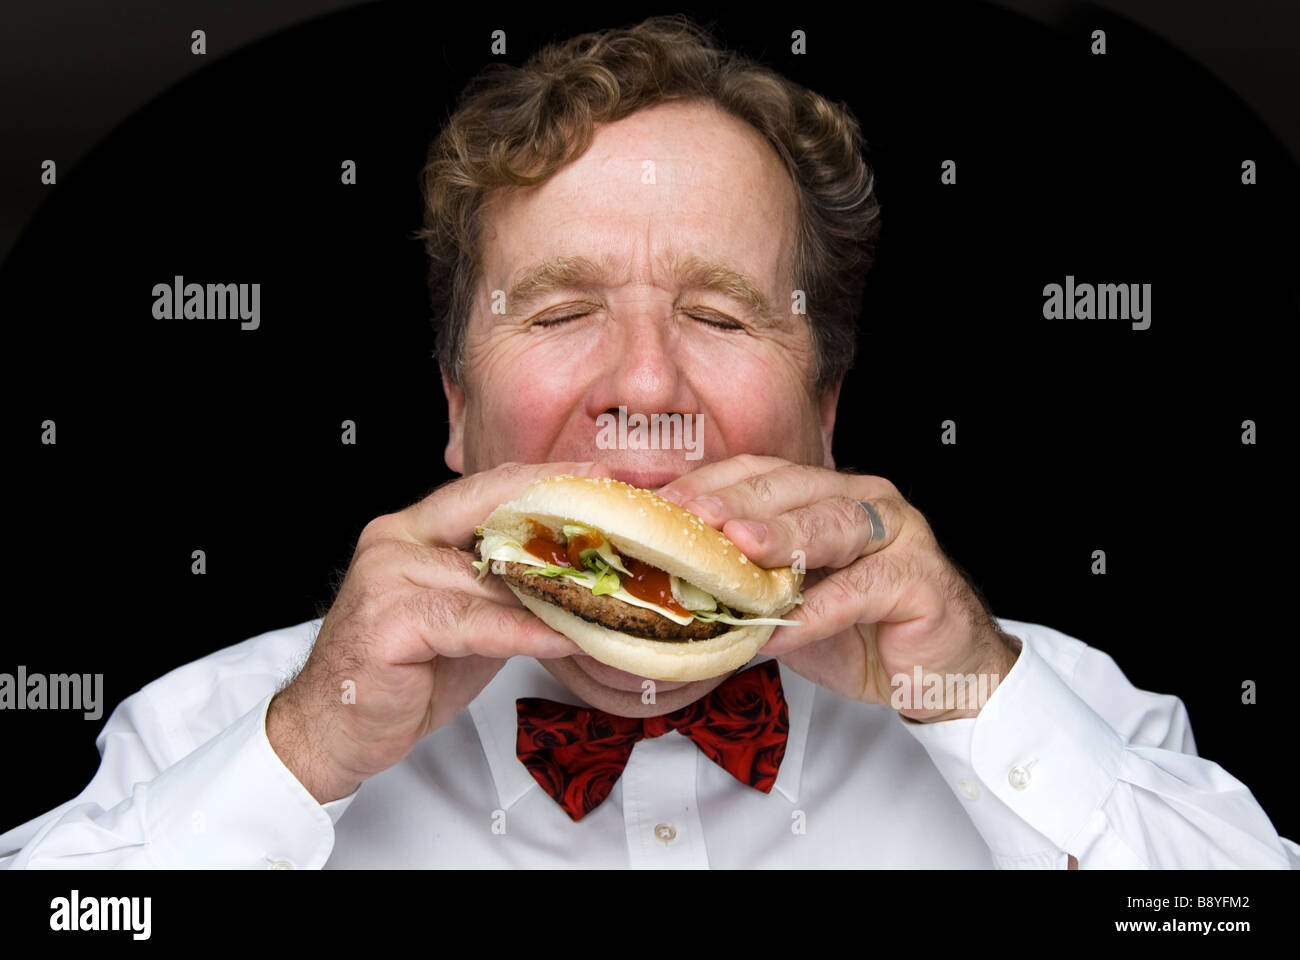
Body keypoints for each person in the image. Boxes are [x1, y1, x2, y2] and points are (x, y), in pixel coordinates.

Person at [2, 15, 1295, 869]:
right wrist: (305, 758)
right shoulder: (222, 730)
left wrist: (976, 694)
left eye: (721, 314)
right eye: (562, 311)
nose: (643, 388)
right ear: (455, 408)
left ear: (828, 411)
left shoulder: (1045, 702)